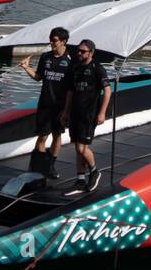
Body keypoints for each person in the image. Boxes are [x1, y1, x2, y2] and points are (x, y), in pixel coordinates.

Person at [19, 27, 73, 177]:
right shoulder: (45, 57)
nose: (51, 43)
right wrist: (26, 67)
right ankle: (38, 167)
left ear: (64, 42)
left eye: (54, 40)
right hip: (45, 104)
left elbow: (72, 87)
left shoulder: (71, 60)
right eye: (50, 39)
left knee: (57, 135)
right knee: (42, 136)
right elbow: (38, 77)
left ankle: (51, 165)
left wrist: (68, 110)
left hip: (60, 106)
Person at [62, 39, 112, 196]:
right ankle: (80, 179)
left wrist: (102, 112)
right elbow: (70, 91)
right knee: (77, 147)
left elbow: (107, 91)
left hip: (89, 114)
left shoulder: (98, 69)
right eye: (78, 50)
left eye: (83, 51)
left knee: (82, 148)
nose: (79, 53)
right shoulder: (75, 67)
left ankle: (95, 171)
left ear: (91, 52)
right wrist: (66, 112)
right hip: (75, 113)